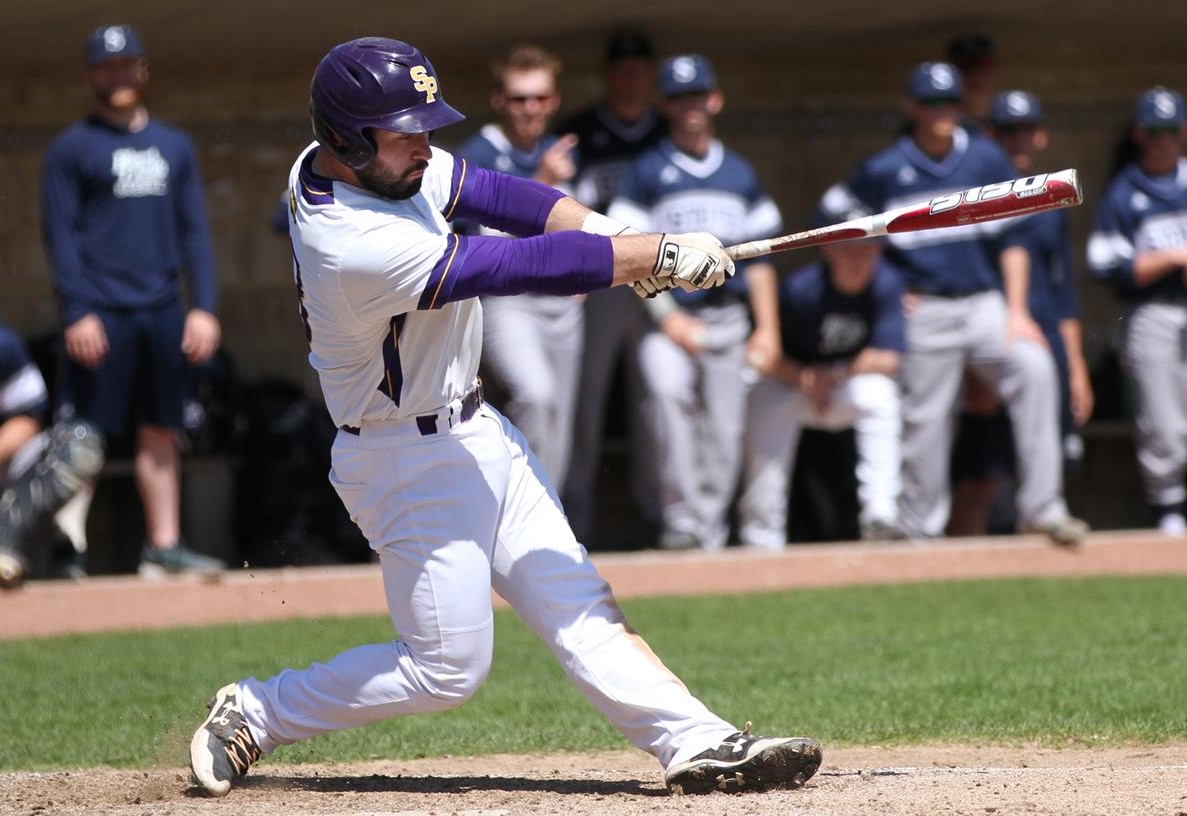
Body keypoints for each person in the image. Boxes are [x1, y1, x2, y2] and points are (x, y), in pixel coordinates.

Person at [187, 37, 821, 798]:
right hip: (402, 459)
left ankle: (693, 740)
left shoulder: (383, 166)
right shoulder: (349, 243)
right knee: (446, 669)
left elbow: (505, 197)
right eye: (404, 130)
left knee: (573, 593)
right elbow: (508, 266)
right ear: (348, 140)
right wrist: (645, 256)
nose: (425, 144)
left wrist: (621, 241)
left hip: (474, 427)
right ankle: (256, 708)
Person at [819, 61, 1087, 546]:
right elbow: (838, 219)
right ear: (912, 108)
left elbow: (1016, 235)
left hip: (986, 303)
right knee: (925, 416)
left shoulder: (985, 157)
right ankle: (922, 532)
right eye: (931, 103)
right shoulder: (884, 167)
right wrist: (888, 285)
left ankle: (1044, 509)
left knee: (1035, 368)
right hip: (926, 308)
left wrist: (1019, 311)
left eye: (950, 103)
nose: (942, 112)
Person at [40, 24, 225, 575]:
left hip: (163, 309)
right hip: (100, 312)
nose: (117, 75)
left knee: (162, 429)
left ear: (142, 70)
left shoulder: (174, 145)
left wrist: (205, 307)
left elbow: (195, 231)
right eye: (105, 66)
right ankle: (66, 549)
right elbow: (61, 237)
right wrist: (76, 312)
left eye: (126, 65)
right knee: (83, 438)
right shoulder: (71, 149)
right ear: (92, 74)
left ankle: (162, 547)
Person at [607, 54, 783, 551]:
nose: (691, 106)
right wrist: (668, 318)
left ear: (716, 99)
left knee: (725, 427)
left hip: (728, 316)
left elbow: (765, 259)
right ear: (664, 104)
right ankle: (681, 520)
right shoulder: (647, 170)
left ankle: (708, 531)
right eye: (679, 97)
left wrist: (767, 329)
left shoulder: (740, 173)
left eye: (698, 95)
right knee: (666, 398)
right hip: (666, 315)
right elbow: (627, 251)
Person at [738, 212, 908, 549]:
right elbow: (762, 357)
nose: (860, 259)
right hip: (791, 384)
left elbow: (889, 358)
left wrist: (833, 376)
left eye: (868, 250)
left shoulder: (887, 283)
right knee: (765, 403)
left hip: (841, 384)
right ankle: (760, 535)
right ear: (829, 250)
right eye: (850, 250)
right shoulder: (801, 290)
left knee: (880, 394)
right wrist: (802, 377)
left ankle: (880, 516)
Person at [453, 45, 582, 486]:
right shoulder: (479, 155)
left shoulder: (562, 150)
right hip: (506, 300)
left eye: (540, 98)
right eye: (519, 98)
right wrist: (543, 183)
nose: (530, 108)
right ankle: (523, 509)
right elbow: (482, 246)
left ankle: (556, 518)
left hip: (564, 303)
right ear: (499, 101)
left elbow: (583, 224)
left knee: (561, 415)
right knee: (536, 396)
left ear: (554, 101)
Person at [559, 29, 667, 546]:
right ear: (608, 76)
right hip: (601, 280)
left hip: (662, 279)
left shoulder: (667, 130)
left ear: (650, 75)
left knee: (659, 396)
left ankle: (658, 515)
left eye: (638, 69)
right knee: (587, 400)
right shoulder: (581, 132)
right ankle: (573, 517)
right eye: (620, 69)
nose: (629, 78)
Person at [1087, 87, 1187, 536]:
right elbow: (1104, 265)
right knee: (1163, 419)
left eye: (1171, 130)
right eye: (1154, 132)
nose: (1163, 140)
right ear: (1138, 135)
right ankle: (1170, 509)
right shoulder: (1125, 191)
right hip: (1151, 311)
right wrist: (1173, 259)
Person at [989, 90, 1095, 469]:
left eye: (1025, 129)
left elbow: (1064, 291)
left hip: (1047, 333)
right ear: (991, 135)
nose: (1017, 140)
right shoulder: (972, 202)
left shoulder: (1051, 202)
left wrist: (1077, 365)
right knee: (986, 474)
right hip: (993, 339)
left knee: (1054, 458)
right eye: (1007, 130)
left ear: (1040, 135)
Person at [0, 324, 104, 589]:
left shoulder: (4, 343)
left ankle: (6, 541)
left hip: (6, 472)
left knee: (77, 447)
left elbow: (26, 420)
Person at [946, 32, 998, 133]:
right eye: (966, 67)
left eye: (983, 65)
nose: (975, 74)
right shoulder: (940, 123)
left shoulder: (1008, 120)